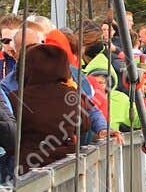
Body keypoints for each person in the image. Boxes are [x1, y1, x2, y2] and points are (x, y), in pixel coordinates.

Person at [13, 42, 91, 175]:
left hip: (29, 170)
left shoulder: (16, 98)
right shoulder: (72, 95)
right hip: (67, 169)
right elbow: (84, 126)